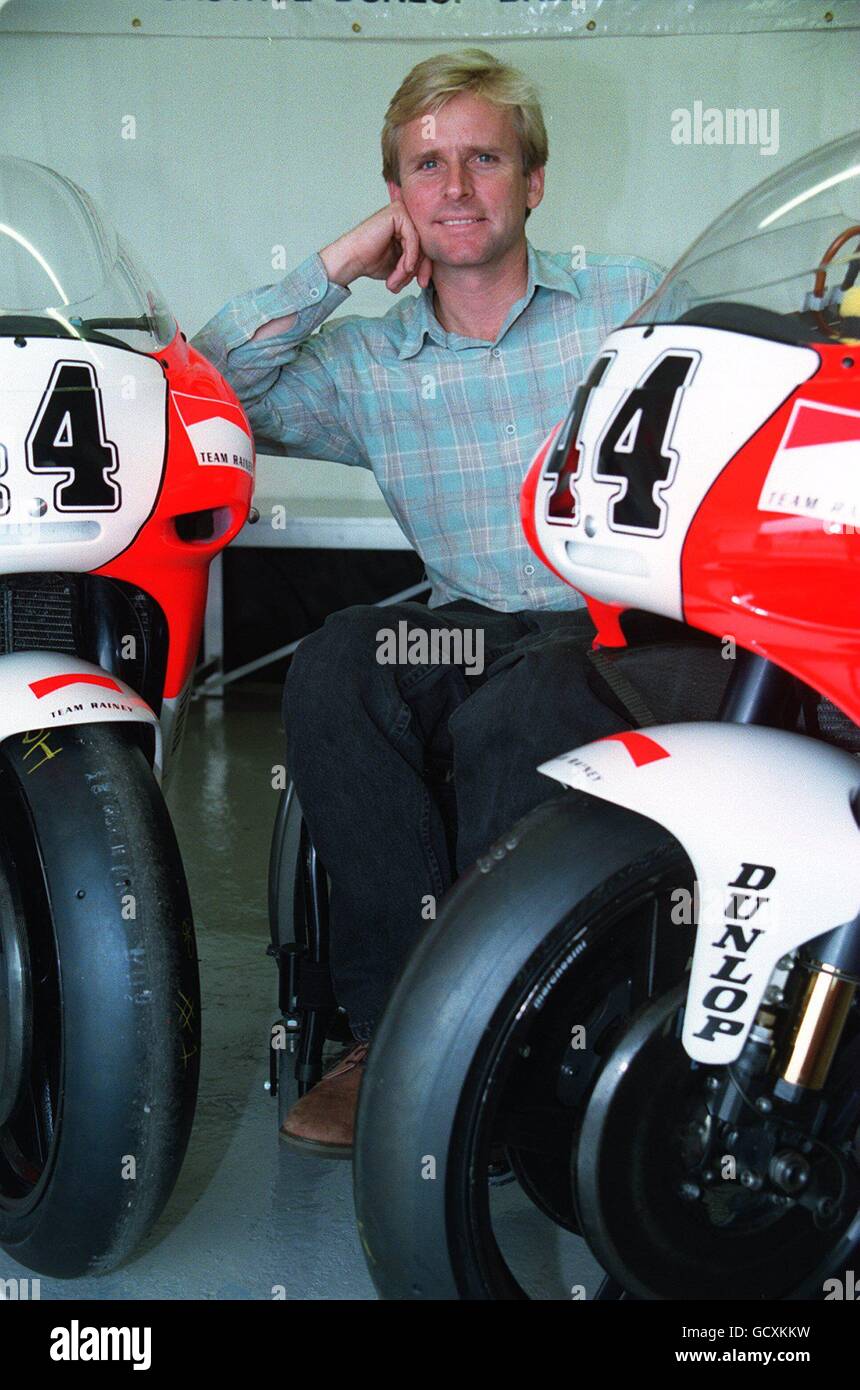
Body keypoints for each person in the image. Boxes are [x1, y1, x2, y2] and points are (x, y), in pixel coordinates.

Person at [191, 48, 727, 1158]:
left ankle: (511, 1034)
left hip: (623, 627)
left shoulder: (630, 299)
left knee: (515, 710)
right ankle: (399, 1037)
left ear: (532, 181)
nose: (454, 187)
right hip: (469, 620)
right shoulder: (365, 363)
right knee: (339, 662)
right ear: (396, 197)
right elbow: (203, 387)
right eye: (424, 165)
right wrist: (333, 263)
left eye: (482, 157)